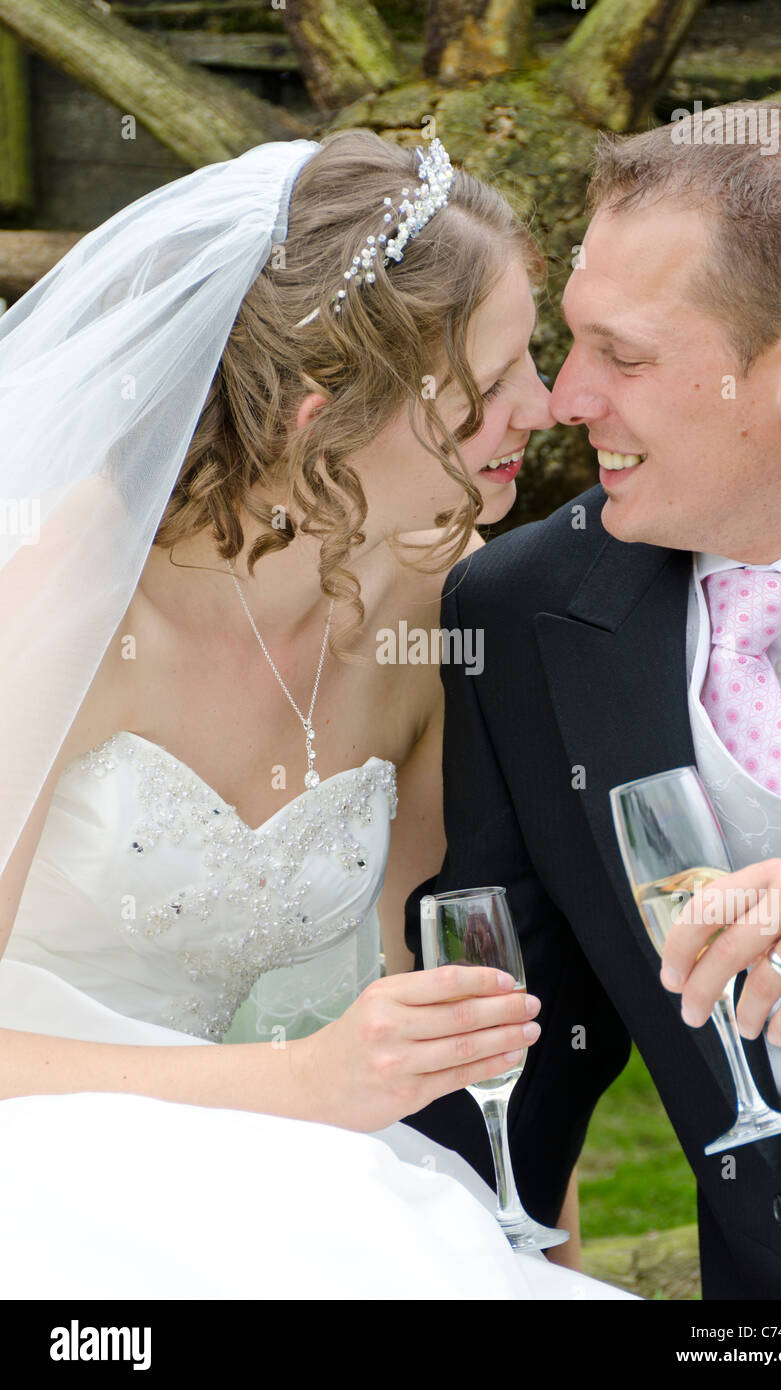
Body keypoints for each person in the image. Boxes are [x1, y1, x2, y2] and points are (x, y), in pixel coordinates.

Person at [0, 130, 633, 1299]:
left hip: (264, 1152)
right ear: (319, 414)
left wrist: (522, 1234)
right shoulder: (60, 597)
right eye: (492, 385)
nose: (545, 406)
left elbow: (459, 980)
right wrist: (298, 1088)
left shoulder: (442, 605)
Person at [404, 101, 781, 1301]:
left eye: (628, 355)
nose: (565, 399)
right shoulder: (522, 612)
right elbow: (515, 1048)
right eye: (570, 342)